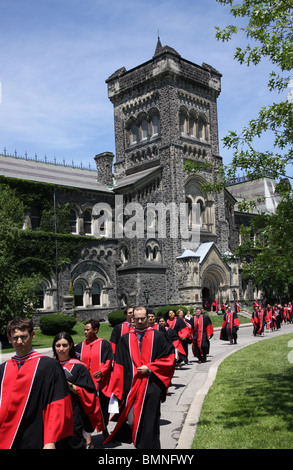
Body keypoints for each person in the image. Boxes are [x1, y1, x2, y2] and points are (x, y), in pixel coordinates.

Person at [104, 305, 175, 449]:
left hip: (152, 385)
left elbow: (170, 358)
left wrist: (150, 368)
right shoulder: (125, 339)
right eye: (137, 318)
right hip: (131, 386)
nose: (141, 321)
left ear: (148, 317)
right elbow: (119, 365)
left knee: (150, 423)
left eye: (143, 318)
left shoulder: (158, 336)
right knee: (131, 420)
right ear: (132, 319)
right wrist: (116, 390)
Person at [0, 317, 73, 449]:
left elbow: (57, 404)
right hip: (6, 436)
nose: (19, 341)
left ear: (32, 335)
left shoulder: (48, 366)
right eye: (15, 337)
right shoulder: (3, 369)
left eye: (24, 336)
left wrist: (50, 440)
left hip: (36, 434)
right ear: (9, 338)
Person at [53, 331, 103, 449]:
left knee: (74, 443)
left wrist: (68, 385)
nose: (61, 349)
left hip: (74, 413)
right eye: (58, 345)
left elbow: (90, 393)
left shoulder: (79, 367)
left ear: (71, 346)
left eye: (64, 345)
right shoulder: (50, 366)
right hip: (55, 413)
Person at [75, 318, 113, 439]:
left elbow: (108, 361)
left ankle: (105, 428)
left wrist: (102, 372)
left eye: (88, 330)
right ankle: (86, 436)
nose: (85, 332)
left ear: (95, 330)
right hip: (85, 383)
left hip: (101, 383)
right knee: (86, 409)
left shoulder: (105, 344)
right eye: (84, 330)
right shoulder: (80, 346)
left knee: (102, 407)